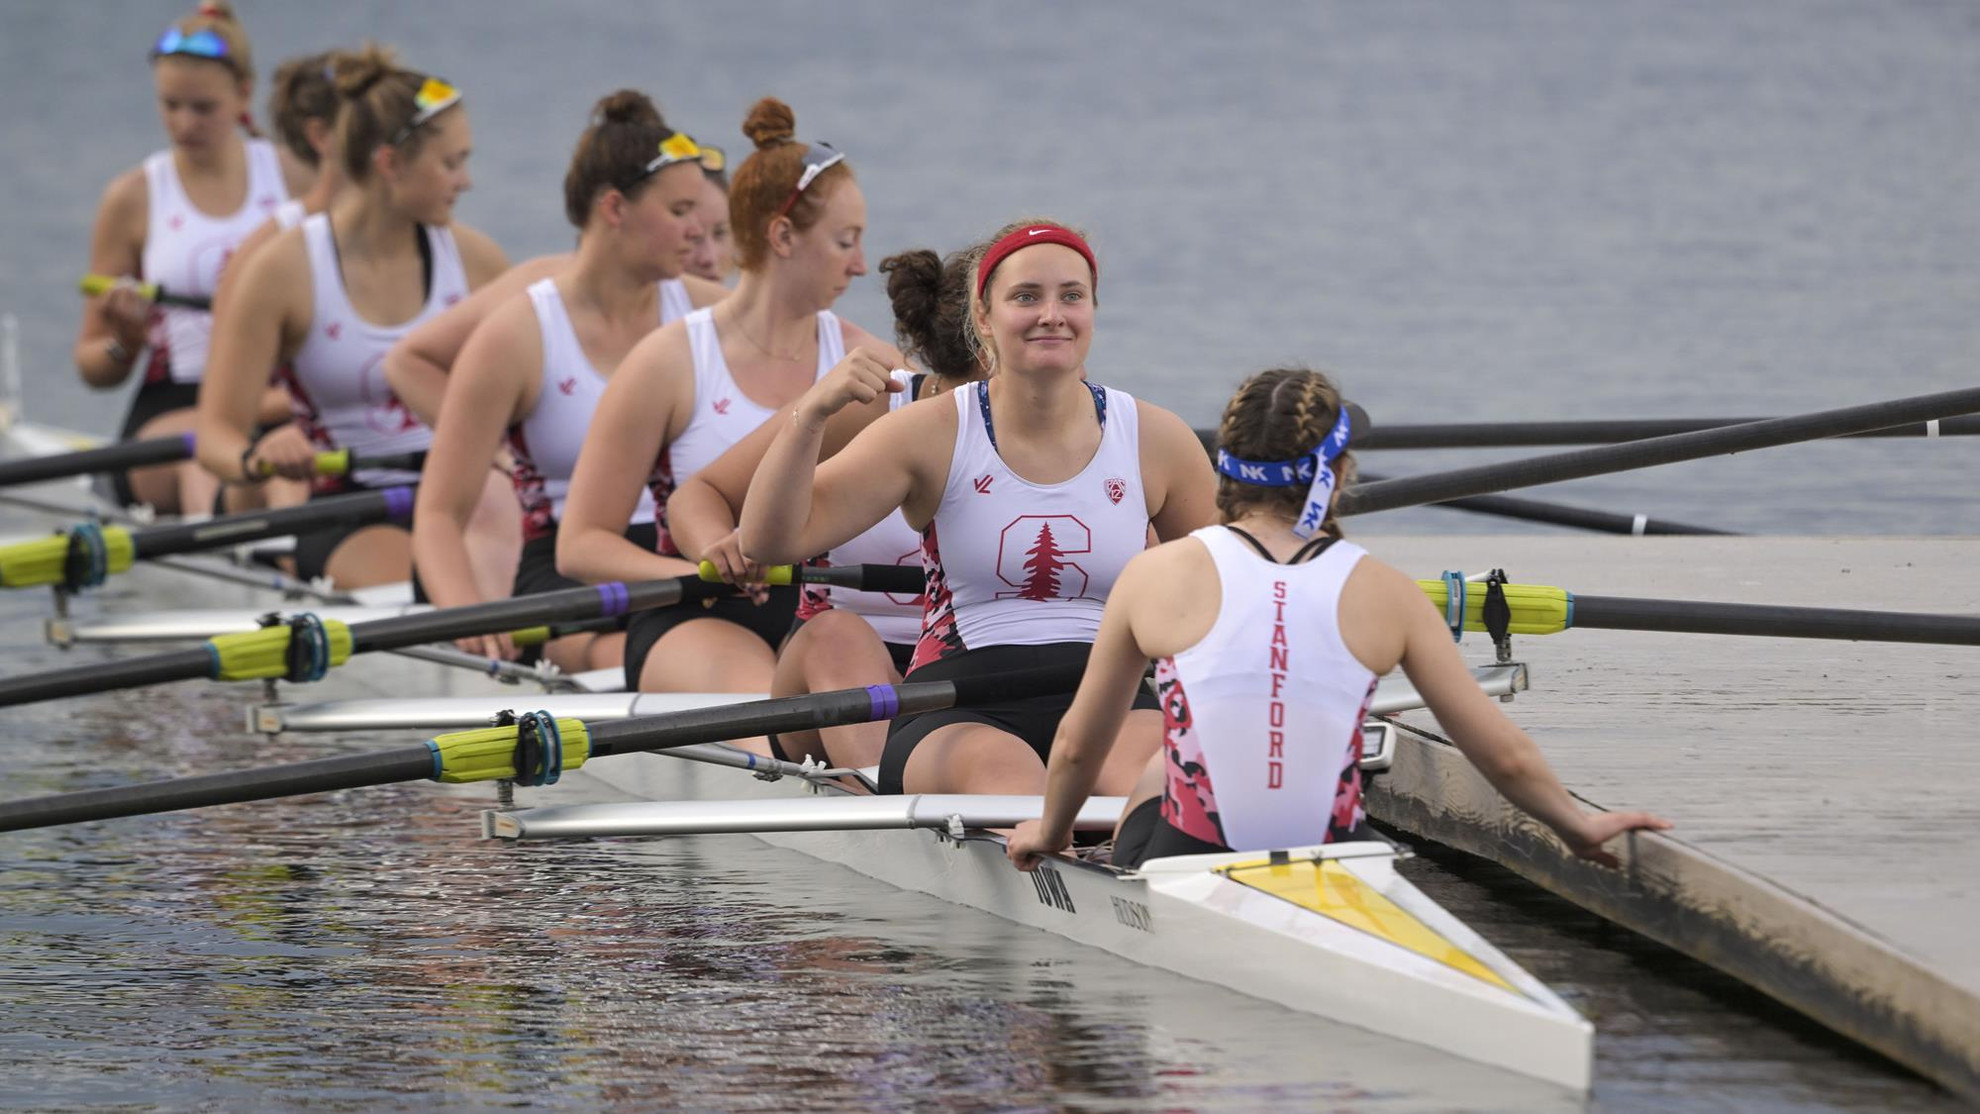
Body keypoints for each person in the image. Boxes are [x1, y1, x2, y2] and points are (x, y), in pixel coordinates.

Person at [1006, 367, 1676, 871]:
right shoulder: (1386, 592)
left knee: (1162, 768)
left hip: (1188, 853)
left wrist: (1050, 830)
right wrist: (1574, 825)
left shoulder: (1155, 574)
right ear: (1341, 472)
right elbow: (1500, 752)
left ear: (1227, 467)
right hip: (1339, 854)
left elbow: (1077, 745)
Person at [738, 218, 1218, 795]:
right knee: (1013, 787)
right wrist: (809, 416)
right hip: (958, 705)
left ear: (1093, 310)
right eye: (1026, 297)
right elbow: (768, 543)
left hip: (1110, 699)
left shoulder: (1156, 438)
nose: (1051, 314)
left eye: (1072, 296)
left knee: (1155, 785)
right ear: (984, 319)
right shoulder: (932, 432)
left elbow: (1229, 592)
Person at [559, 95, 903, 723]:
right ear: (781, 237)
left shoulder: (865, 360)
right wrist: (705, 558)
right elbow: (579, 545)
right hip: (696, 613)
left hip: (822, 617)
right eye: (845, 242)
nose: (859, 265)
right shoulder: (668, 361)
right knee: (763, 714)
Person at [411, 90, 725, 671]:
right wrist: (467, 621)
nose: (697, 235)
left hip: (683, 568)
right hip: (566, 584)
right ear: (614, 209)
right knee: (648, 656)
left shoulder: (714, 314)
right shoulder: (517, 335)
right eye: (680, 213)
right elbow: (437, 514)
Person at [196, 44, 509, 590]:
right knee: (424, 587)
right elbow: (215, 436)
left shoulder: (478, 261)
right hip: (345, 505)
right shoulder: (284, 270)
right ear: (390, 163)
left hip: (465, 494)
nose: (466, 182)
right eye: (451, 164)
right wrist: (258, 455)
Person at [667, 243, 987, 768]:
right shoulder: (870, 404)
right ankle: (882, 795)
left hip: (964, 672)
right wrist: (722, 550)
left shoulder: (1065, 429)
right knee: (840, 635)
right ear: (988, 344)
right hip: (834, 667)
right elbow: (702, 494)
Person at [72, 1, 300, 515]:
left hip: (279, 398)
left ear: (243, 94)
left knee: (292, 455)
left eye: (202, 108)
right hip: (177, 404)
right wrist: (124, 344)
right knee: (207, 457)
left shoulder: (293, 178)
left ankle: (294, 559)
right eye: (169, 105)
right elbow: (91, 364)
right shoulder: (131, 198)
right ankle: (228, 552)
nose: (183, 124)